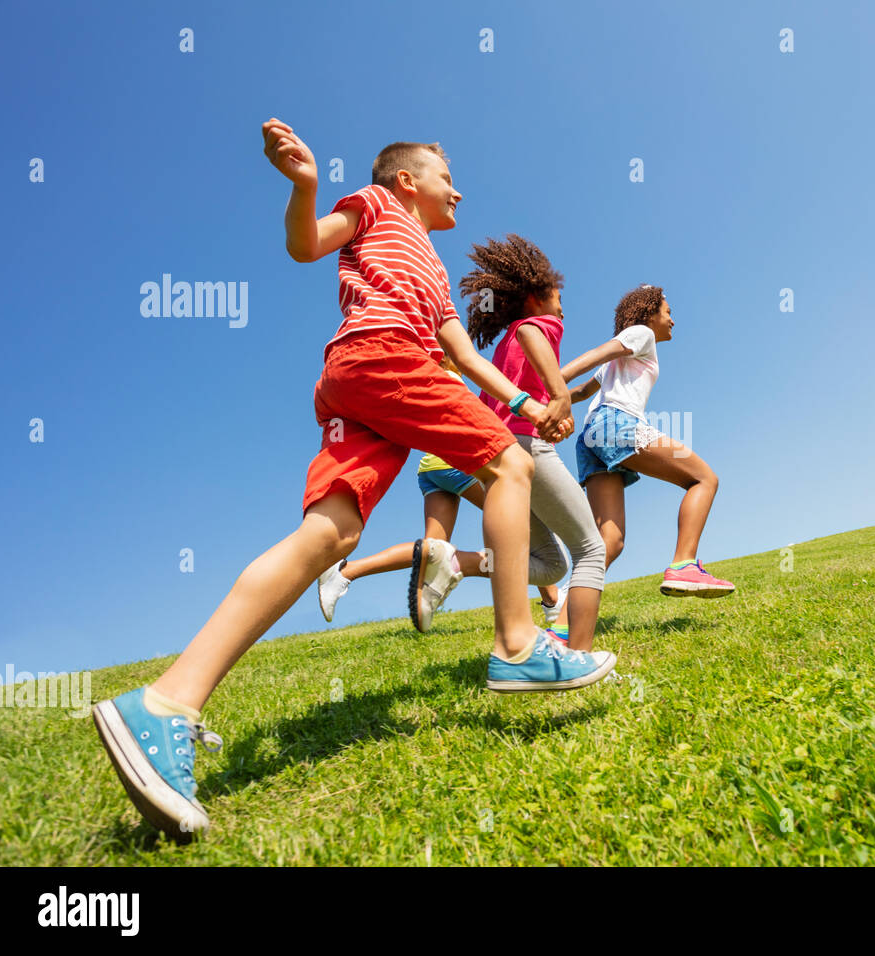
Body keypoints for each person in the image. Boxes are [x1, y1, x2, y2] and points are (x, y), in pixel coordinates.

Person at [91, 120, 615, 841]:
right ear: (408, 180)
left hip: (366, 382)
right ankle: (519, 647)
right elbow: (306, 246)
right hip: (380, 357)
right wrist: (304, 186)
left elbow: (462, 354)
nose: (457, 186)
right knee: (511, 464)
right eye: (445, 172)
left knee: (331, 532)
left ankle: (164, 704)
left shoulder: (432, 271)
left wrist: (528, 404)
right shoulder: (374, 204)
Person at [315, 360, 567, 630]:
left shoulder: (422, 376)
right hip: (456, 463)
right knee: (519, 525)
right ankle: (552, 603)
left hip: (431, 470)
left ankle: (346, 571)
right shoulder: (448, 377)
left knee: (432, 547)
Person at [458, 234, 609, 651]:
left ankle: (453, 562)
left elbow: (543, 390)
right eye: (557, 294)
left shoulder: (503, 348)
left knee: (550, 566)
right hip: (527, 452)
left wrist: (571, 394)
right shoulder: (535, 325)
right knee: (591, 549)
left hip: (498, 461)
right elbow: (534, 337)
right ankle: (577, 654)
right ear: (535, 295)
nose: (562, 305)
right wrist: (560, 396)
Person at [562, 285, 735, 597]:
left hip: (590, 438)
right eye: (668, 312)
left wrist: (545, 398)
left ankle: (562, 616)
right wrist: (555, 381)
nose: (673, 320)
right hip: (616, 424)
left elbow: (583, 393)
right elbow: (596, 353)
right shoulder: (641, 333)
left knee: (609, 542)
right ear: (650, 314)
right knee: (704, 479)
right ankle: (684, 565)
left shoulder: (624, 356)